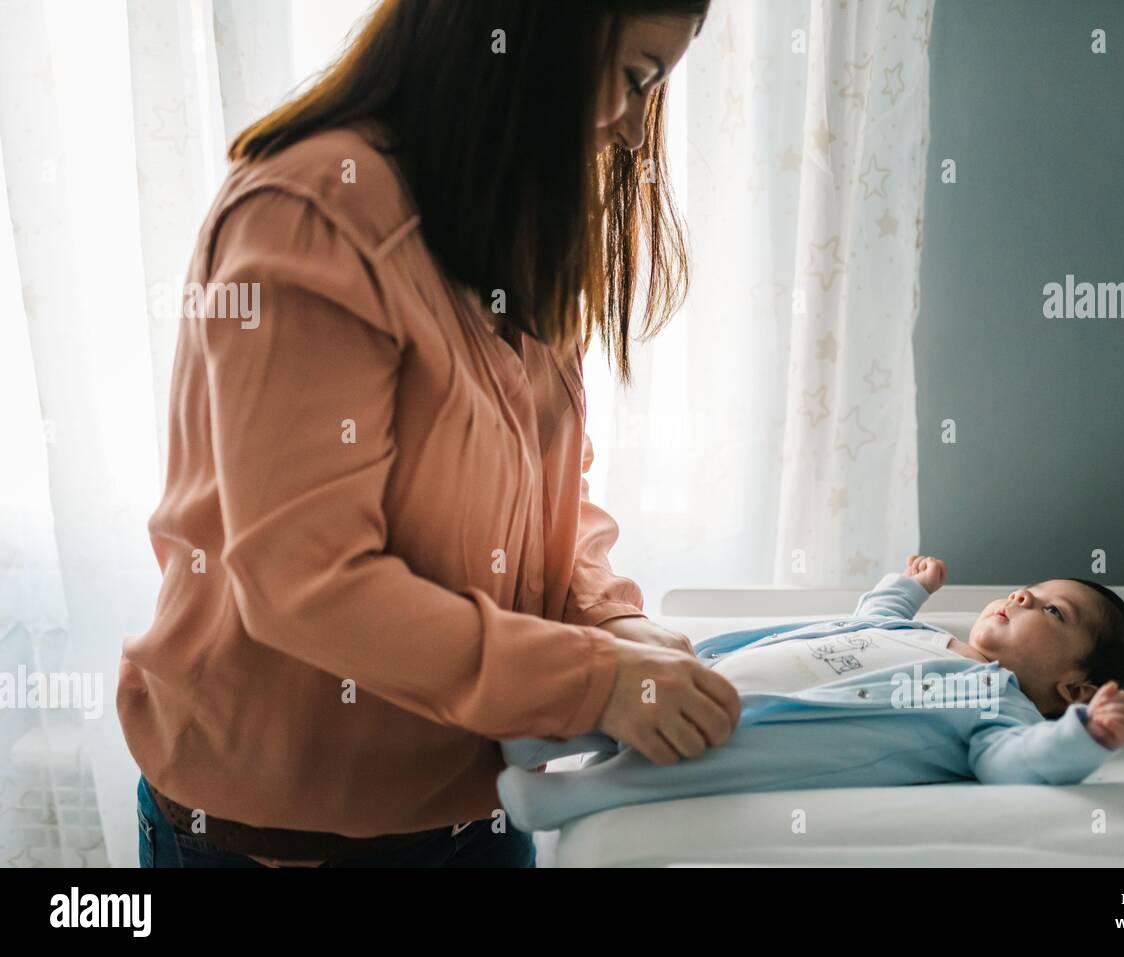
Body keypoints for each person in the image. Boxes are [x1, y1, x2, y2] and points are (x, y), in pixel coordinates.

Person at [121, 0, 738, 869]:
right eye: (637, 79)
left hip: (479, 807)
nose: (638, 131)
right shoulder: (314, 214)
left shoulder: (509, 209)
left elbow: (550, 477)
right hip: (285, 840)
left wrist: (603, 617)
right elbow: (308, 582)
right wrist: (594, 678)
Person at [496, 556, 1124, 831]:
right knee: (648, 691)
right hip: (737, 670)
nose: (1021, 595)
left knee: (689, 754)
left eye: (1052, 611)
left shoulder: (997, 704)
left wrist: (1077, 738)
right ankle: (550, 733)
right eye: (1029, 588)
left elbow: (1013, 763)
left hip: (772, 731)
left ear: (1076, 685)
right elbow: (873, 615)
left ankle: (573, 797)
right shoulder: (921, 632)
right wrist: (910, 586)